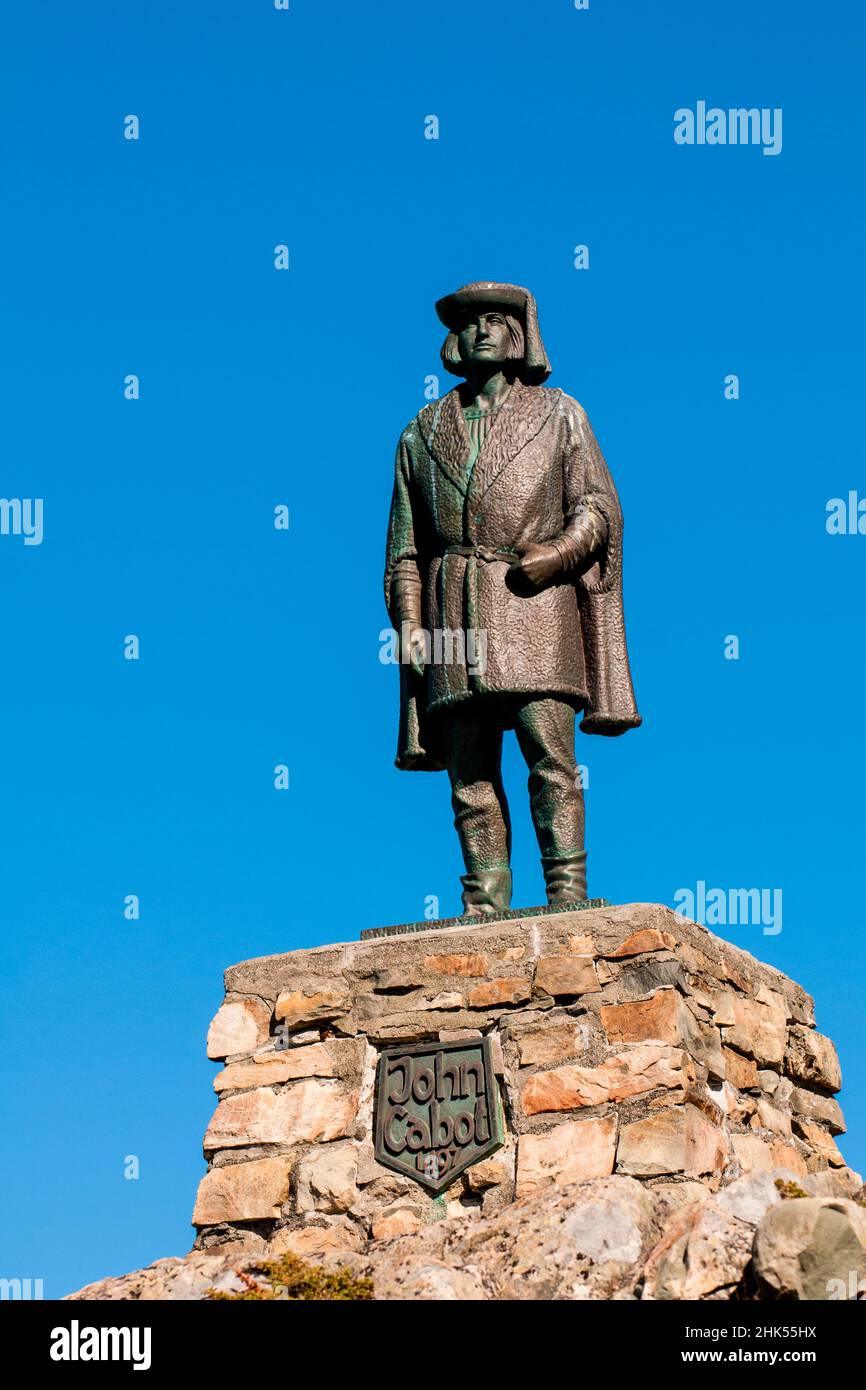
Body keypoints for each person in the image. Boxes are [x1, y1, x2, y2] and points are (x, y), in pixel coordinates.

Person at [385, 281, 640, 916]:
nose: (481, 331)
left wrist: (556, 555)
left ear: (520, 335)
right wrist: (412, 625)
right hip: (453, 613)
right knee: (467, 771)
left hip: (534, 606)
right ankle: (484, 901)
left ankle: (567, 892)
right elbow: (405, 552)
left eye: (496, 320)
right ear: (453, 341)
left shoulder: (560, 415)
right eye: (470, 322)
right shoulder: (421, 432)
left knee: (549, 755)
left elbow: (599, 509)